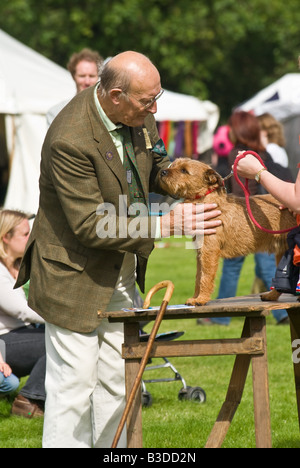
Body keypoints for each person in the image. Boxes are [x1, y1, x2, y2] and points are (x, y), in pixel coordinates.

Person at [15, 51, 222, 448]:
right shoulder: (68, 138)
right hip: (71, 273)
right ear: (115, 95)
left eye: (155, 98)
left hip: (121, 269)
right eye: (147, 101)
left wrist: (196, 184)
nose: (154, 108)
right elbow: (90, 224)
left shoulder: (138, 112)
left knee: (119, 381)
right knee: (73, 388)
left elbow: (155, 164)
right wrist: (166, 224)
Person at [210, 111, 288, 325]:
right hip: (272, 215)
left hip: (246, 218)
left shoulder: (238, 155)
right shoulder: (265, 152)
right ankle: (282, 313)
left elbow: (239, 190)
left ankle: (221, 315)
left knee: (232, 266)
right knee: (269, 265)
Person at [0, 209, 46, 417]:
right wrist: (62, 319)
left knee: (60, 336)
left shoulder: (21, 266)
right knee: (56, 340)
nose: (31, 238)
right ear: (5, 238)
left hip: (22, 335)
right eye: (25, 234)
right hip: (4, 342)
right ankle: (29, 399)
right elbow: (22, 310)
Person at [46, 48, 103, 126]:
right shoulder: (56, 113)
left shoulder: (108, 111)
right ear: (73, 76)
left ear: (98, 76)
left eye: (92, 76)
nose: (87, 81)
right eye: (82, 76)